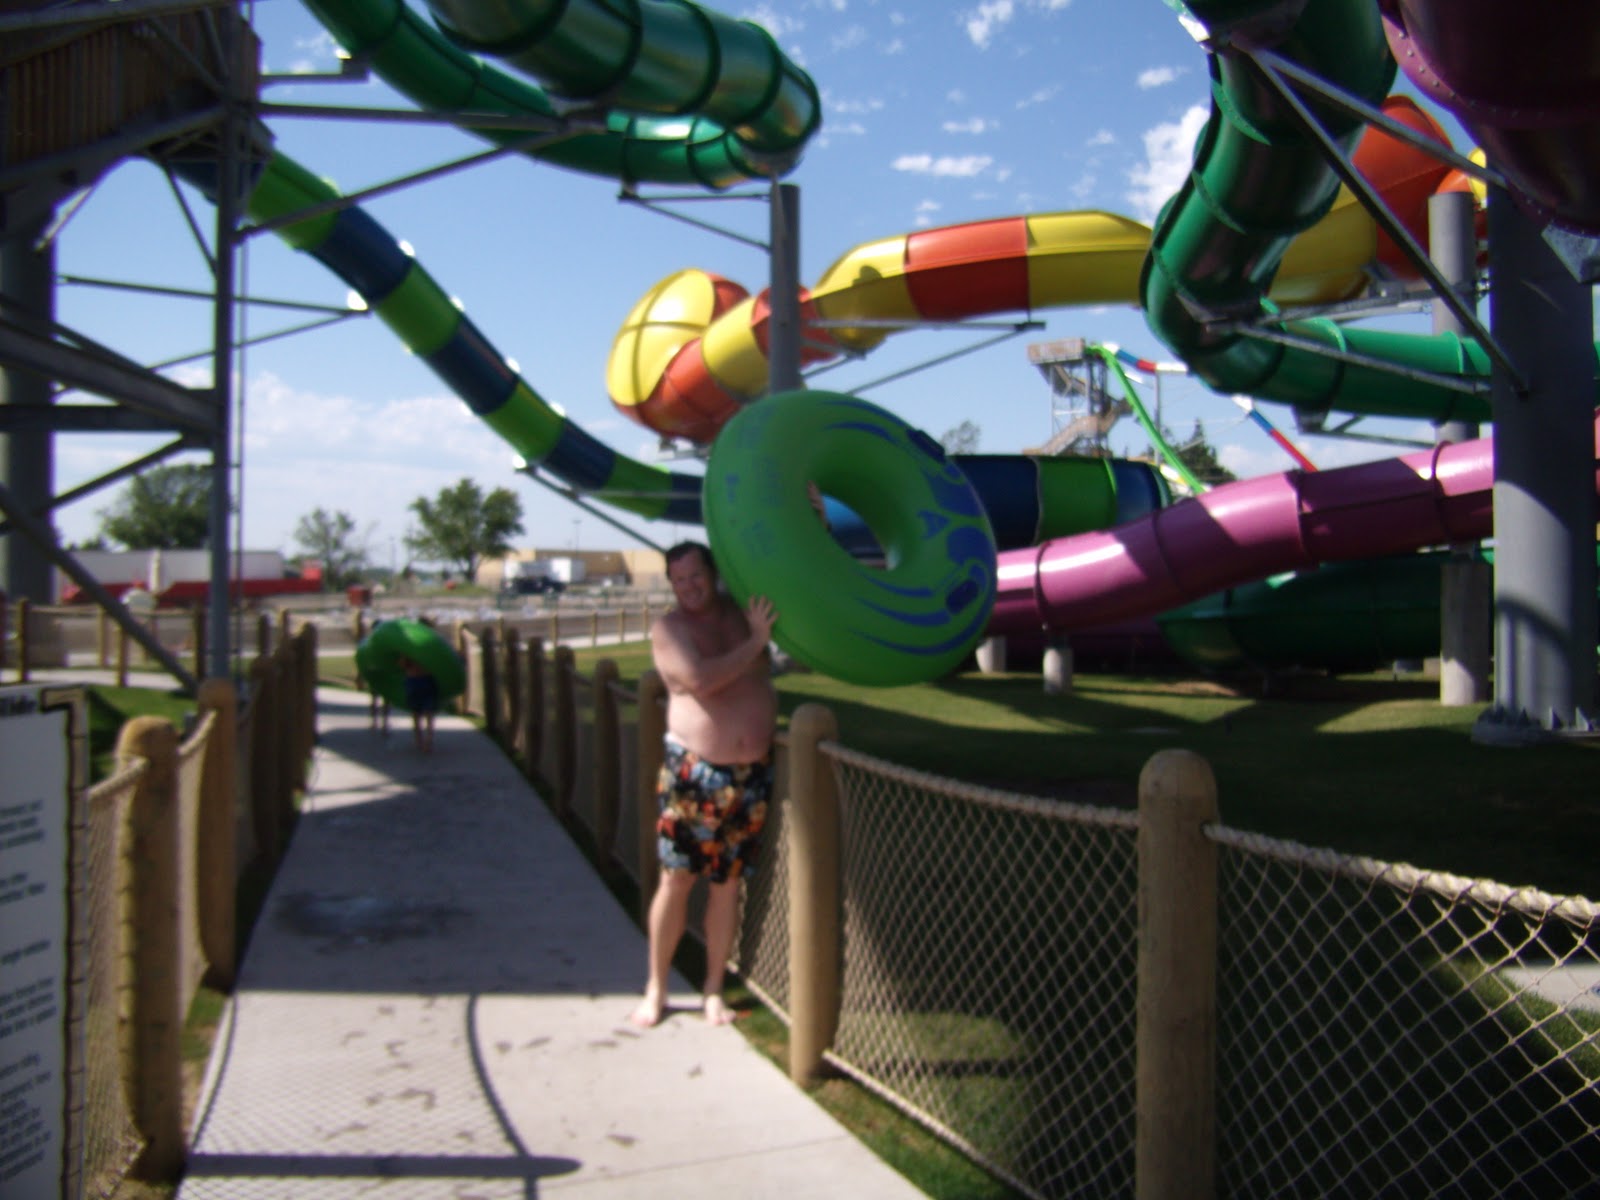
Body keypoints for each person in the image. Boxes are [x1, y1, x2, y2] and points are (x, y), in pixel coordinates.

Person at [630, 541, 777, 1028]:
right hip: (694, 774)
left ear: (713, 573)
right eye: (678, 580)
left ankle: (713, 988)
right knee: (677, 880)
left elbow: (788, 565)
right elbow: (701, 678)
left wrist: (815, 514)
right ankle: (656, 986)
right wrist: (756, 644)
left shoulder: (743, 613)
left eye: (695, 576)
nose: (688, 587)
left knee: (727, 884)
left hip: (749, 776)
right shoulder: (669, 629)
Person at [396, 653, 439, 753]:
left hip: (425, 681)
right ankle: (419, 741)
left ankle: (428, 742)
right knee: (416, 714)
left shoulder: (428, 651)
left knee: (428, 713)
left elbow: (436, 664)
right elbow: (401, 665)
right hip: (413, 681)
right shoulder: (408, 652)